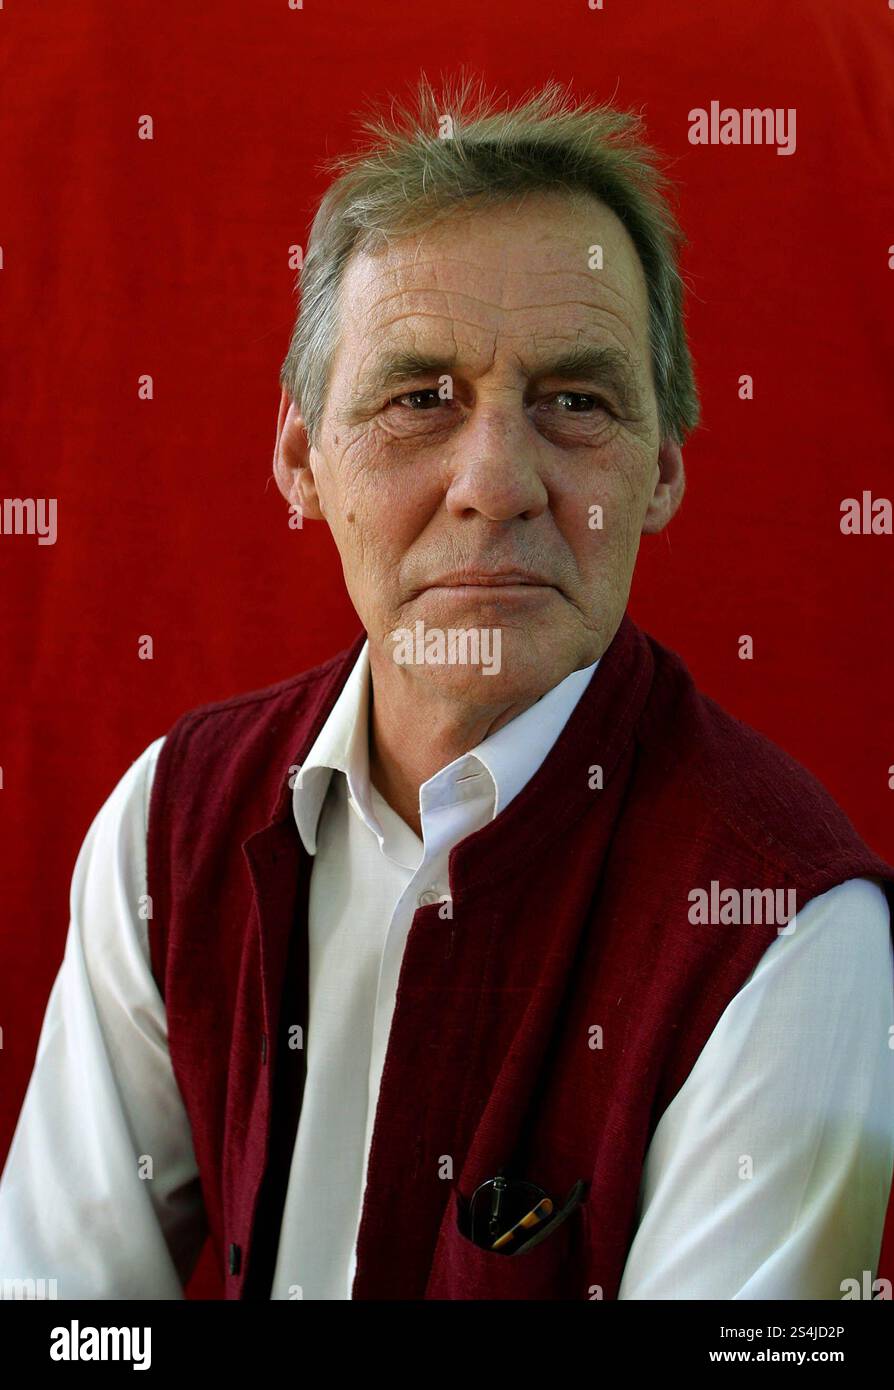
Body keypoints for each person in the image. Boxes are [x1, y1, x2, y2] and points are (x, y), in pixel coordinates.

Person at [2, 73, 893, 1301]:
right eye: (421, 398)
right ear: (301, 458)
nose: (496, 482)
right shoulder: (167, 825)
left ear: (665, 470)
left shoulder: (788, 927)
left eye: (575, 401)